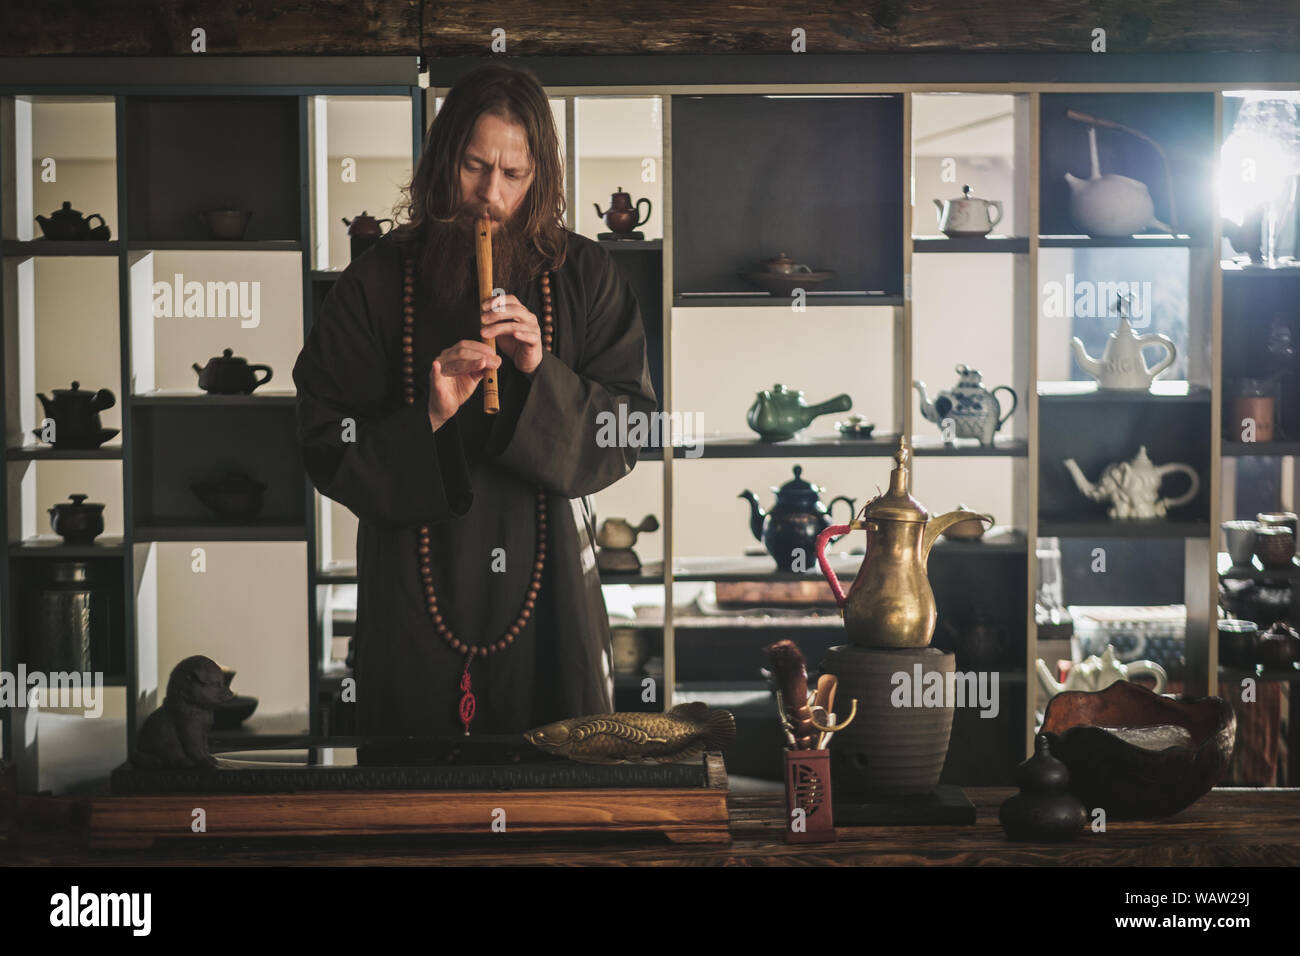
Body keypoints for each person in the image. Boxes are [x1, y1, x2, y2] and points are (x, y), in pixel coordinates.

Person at [292, 64, 656, 739]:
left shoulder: (585, 272)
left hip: (551, 606)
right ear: (441, 163)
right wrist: (428, 415)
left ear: (538, 179)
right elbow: (323, 437)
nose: (490, 195)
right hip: (411, 594)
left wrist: (541, 372)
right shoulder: (375, 280)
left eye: (513, 175)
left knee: (556, 821)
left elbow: (629, 429)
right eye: (473, 166)